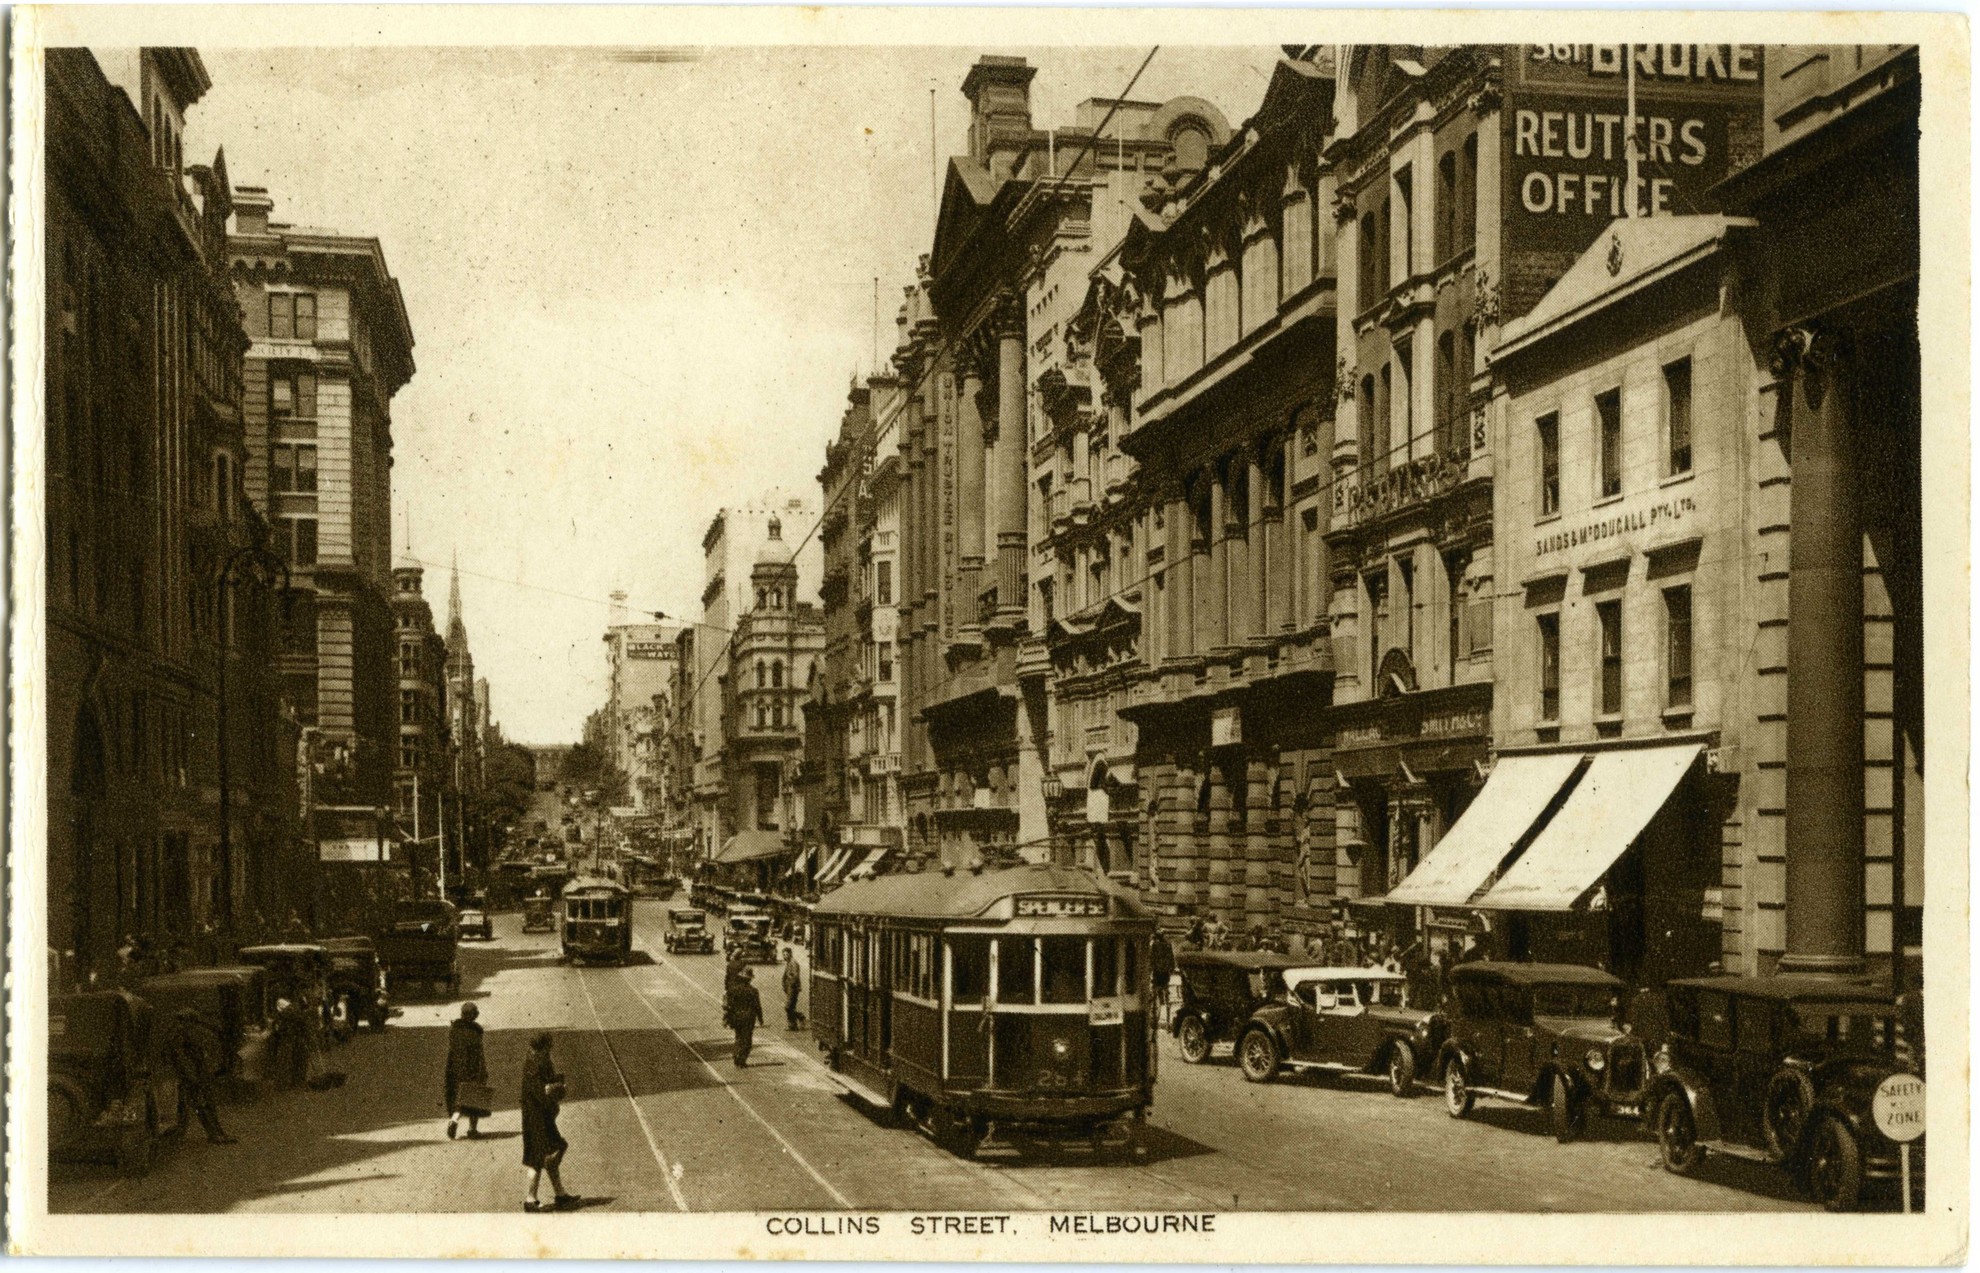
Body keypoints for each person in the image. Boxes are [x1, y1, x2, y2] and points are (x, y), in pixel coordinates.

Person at [520, 1032, 577, 1212]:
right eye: (548, 1048)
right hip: (536, 1118)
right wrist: (556, 1091)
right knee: (541, 1157)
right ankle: (530, 1199)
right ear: (543, 1048)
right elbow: (539, 1093)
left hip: (540, 1116)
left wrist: (557, 1082)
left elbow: (546, 1083)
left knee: (549, 1154)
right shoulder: (535, 1065)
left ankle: (560, 1195)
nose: (550, 1051)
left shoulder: (539, 1061)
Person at [171, 1009, 236, 1145]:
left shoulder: (187, 1034)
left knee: (192, 1104)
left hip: (196, 1074)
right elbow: (182, 1058)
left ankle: (183, 1134)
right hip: (194, 1075)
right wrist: (192, 1074)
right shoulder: (182, 1036)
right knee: (201, 1104)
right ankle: (214, 1133)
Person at [445, 1002, 489, 1140]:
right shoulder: (475, 1031)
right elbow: (478, 1053)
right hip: (472, 1068)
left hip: (455, 1069)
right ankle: (472, 1129)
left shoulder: (454, 1029)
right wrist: (483, 1070)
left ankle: (454, 1120)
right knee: (474, 1098)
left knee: (459, 1098)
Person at [725, 965, 765, 1067]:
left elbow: (729, 1005)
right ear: (749, 979)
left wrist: (727, 1018)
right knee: (747, 1040)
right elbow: (757, 1006)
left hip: (736, 1017)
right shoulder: (753, 991)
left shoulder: (734, 990)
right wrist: (760, 1019)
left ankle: (736, 1055)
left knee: (738, 1037)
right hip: (748, 1018)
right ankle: (741, 1060)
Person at [1149, 929, 1175, 1026]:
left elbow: (1151, 958)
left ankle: (1154, 1018)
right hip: (1165, 974)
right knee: (1166, 993)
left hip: (1157, 973)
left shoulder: (1154, 945)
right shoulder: (1168, 945)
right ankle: (1168, 1021)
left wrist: (1150, 970)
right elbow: (1171, 958)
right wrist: (1171, 969)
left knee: (1154, 994)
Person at [779, 948, 804, 1029]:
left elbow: (795, 976)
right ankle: (792, 1025)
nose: (784, 956)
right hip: (790, 987)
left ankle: (800, 1016)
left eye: (786, 954)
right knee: (791, 1007)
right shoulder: (789, 962)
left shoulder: (793, 963)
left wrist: (791, 984)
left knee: (788, 1007)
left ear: (790, 954)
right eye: (783, 954)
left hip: (793, 987)